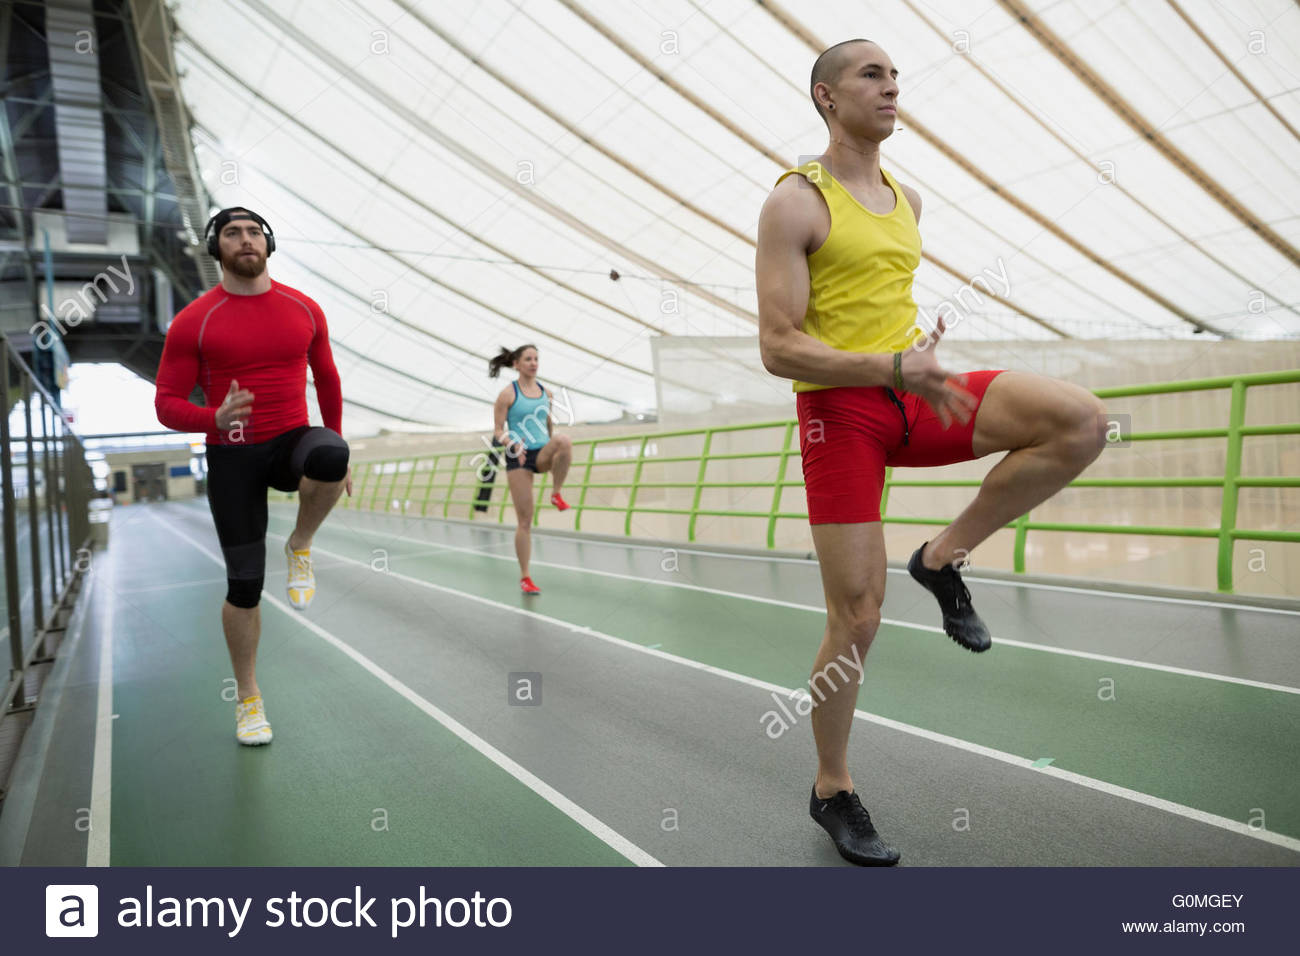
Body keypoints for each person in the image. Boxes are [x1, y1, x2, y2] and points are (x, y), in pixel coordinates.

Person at [755, 40, 1107, 865]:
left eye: (895, 76)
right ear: (825, 98)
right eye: (871, 75)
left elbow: (875, 306)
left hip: (915, 391)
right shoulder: (793, 203)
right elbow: (778, 347)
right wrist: (888, 365)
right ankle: (832, 788)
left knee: (1081, 423)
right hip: (841, 417)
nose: (891, 86)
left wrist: (913, 355)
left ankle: (943, 557)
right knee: (858, 617)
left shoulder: (907, 196)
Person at [154, 206, 352, 746]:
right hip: (233, 453)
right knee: (244, 588)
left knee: (332, 454)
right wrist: (211, 418)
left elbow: (327, 378)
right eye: (232, 233)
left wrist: (335, 434)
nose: (245, 240)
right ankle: (248, 699)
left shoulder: (303, 308)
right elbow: (166, 403)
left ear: (268, 244)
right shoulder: (195, 320)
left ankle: (301, 544)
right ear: (215, 247)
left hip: (291, 440)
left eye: (253, 233)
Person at [488, 344, 573, 594]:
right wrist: (511, 442)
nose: (534, 363)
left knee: (564, 441)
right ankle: (525, 577)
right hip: (518, 456)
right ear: (516, 364)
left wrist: (551, 448)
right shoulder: (507, 394)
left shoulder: (546, 393)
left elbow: (547, 422)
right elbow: (497, 431)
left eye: (536, 358)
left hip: (541, 451)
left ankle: (556, 493)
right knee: (525, 521)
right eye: (528, 359)